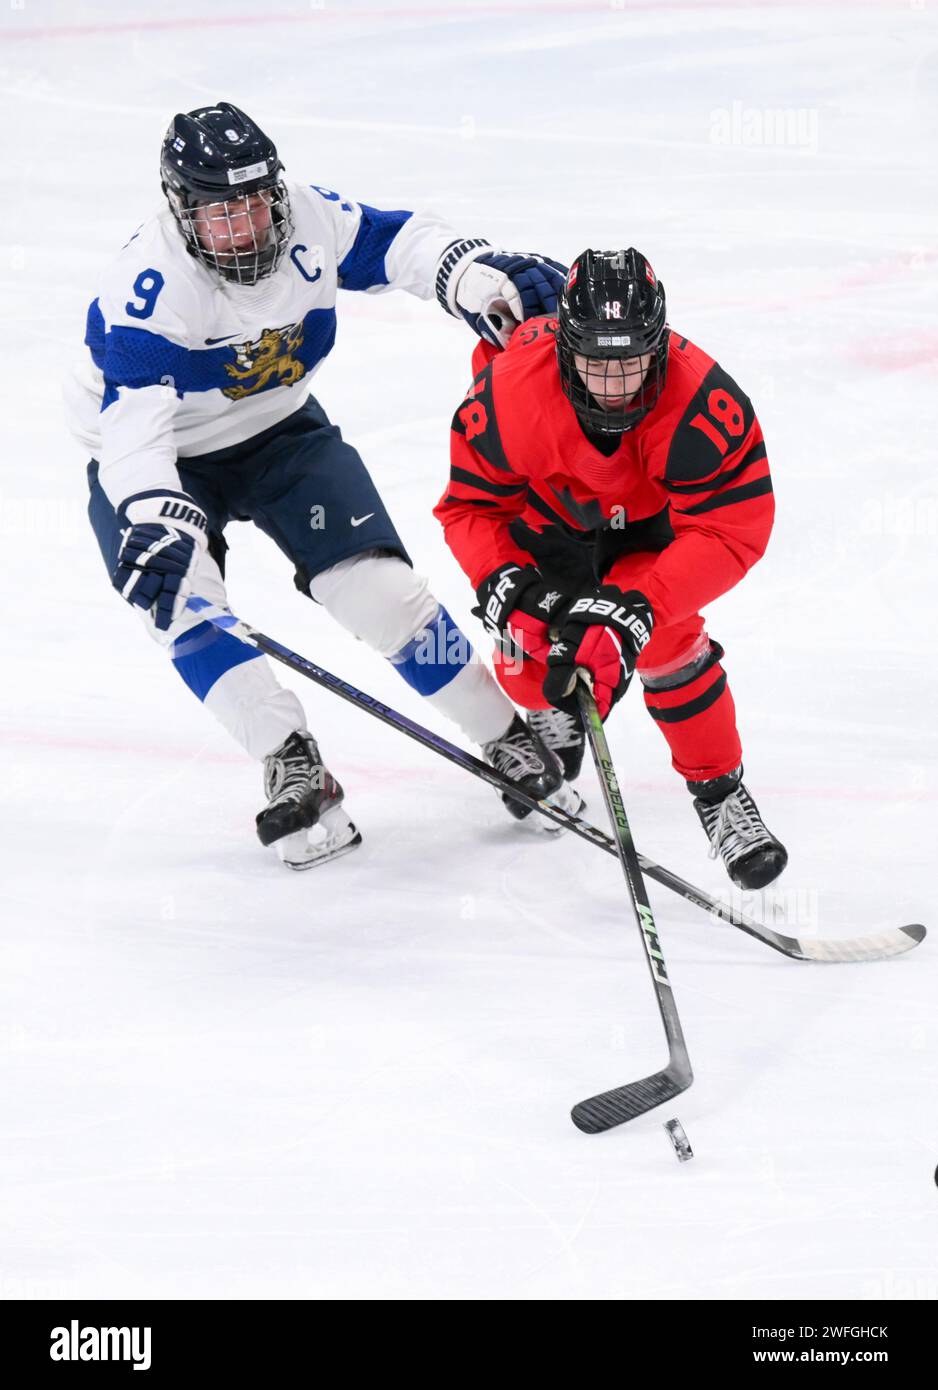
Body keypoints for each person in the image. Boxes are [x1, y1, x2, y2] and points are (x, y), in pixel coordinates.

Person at [64, 101, 580, 869]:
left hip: (279, 431)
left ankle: (505, 736)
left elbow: (400, 242)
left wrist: (480, 279)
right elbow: (134, 432)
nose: (244, 229)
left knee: (381, 594)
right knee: (180, 604)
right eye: (219, 214)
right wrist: (153, 522)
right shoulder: (149, 288)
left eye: (253, 204)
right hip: (159, 453)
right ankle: (289, 756)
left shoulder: (306, 217)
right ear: (181, 209)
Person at [434, 247, 787, 890]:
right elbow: (469, 508)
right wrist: (505, 585)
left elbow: (733, 528)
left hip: (644, 535)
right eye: (597, 362)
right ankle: (551, 710)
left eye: (631, 362)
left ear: (661, 344)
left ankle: (719, 794)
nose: (615, 384)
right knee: (529, 656)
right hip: (544, 525)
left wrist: (643, 607)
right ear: (567, 348)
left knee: (669, 643)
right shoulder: (510, 387)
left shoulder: (704, 399)